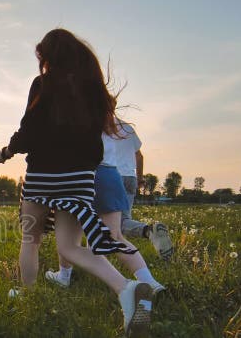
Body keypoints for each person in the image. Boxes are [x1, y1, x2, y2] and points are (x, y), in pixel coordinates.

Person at [0, 29, 154, 338]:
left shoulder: (44, 84)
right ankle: (127, 289)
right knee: (69, 246)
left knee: (31, 238)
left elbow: (28, 130)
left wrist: (7, 151)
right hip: (81, 178)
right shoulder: (93, 90)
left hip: (44, 176)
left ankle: (27, 293)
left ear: (49, 56)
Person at [45, 120, 166, 294]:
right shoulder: (110, 119)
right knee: (115, 237)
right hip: (109, 173)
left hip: (79, 174)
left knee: (69, 239)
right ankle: (151, 283)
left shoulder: (71, 109)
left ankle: (64, 276)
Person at [113, 120, 173, 260]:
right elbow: (139, 156)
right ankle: (150, 231)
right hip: (129, 178)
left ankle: (148, 230)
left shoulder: (101, 126)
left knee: (112, 222)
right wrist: (139, 178)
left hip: (111, 176)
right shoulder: (127, 127)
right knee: (122, 220)